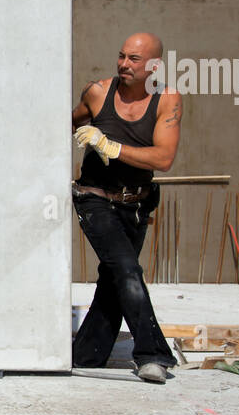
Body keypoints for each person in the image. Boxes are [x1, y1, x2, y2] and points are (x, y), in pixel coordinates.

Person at [70, 32, 182, 383]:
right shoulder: (98, 93)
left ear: (154, 66)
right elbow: (65, 124)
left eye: (134, 59)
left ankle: (87, 355)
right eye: (121, 56)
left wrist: (111, 146)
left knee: (114, 277)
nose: (124, 64)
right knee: (127, 269)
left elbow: (163, 158)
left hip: (136, 202)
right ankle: (154, 355)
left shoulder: (167, 99)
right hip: (94, 198)